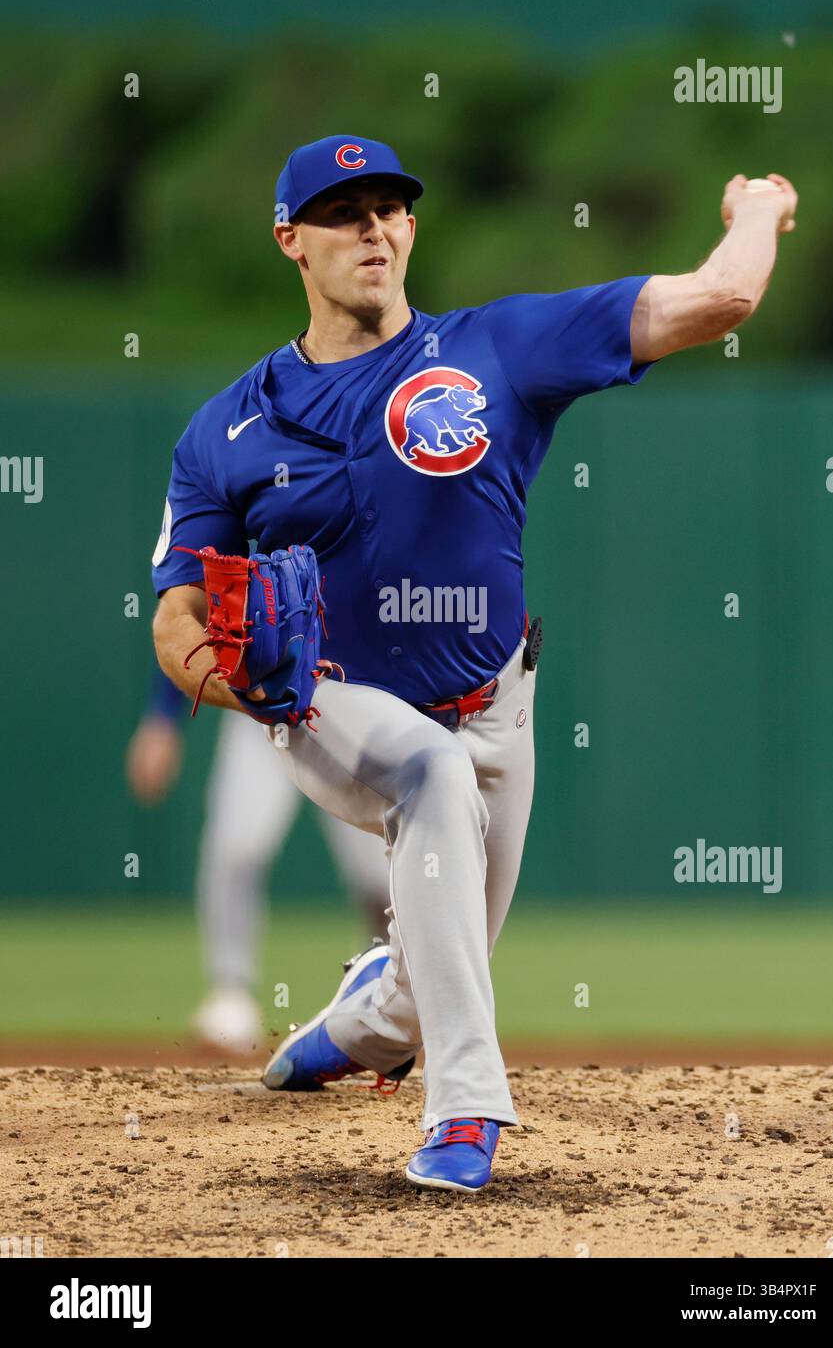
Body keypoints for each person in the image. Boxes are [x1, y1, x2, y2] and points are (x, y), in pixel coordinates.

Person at [151, 134, 796, 1190]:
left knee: (435, 961)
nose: (370, 226)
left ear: (409, 226)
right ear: (289, 240)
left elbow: (719, 300)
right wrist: (231, 680)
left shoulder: (498, 348)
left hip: (495, 704)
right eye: (339, 210)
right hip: (328, 707)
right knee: (426, 776)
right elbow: (177, 615)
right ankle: (465, 1112)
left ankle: (358, 1018)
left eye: (388, 207)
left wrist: (758, 210)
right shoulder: (226, 428)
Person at [126, 665, 391, 1053]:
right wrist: (162, 718)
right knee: (238, 849)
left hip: (352, 707)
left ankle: (388, 997)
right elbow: (188, 612)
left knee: (379, 878)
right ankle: (230, 993)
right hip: (262, 712)